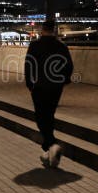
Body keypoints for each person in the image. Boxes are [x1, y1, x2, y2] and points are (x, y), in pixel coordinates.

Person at [24, 19, 74, 169]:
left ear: (41, 30)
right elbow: (69, 66)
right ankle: (49, 151)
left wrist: (30, 84)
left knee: (40, 117)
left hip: (39, 86)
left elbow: (29, 65)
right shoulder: (61, 46)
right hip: (55, 87)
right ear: (54, 30)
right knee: (49, 115)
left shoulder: (35, 45)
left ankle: (51, 145)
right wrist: (63, 81)